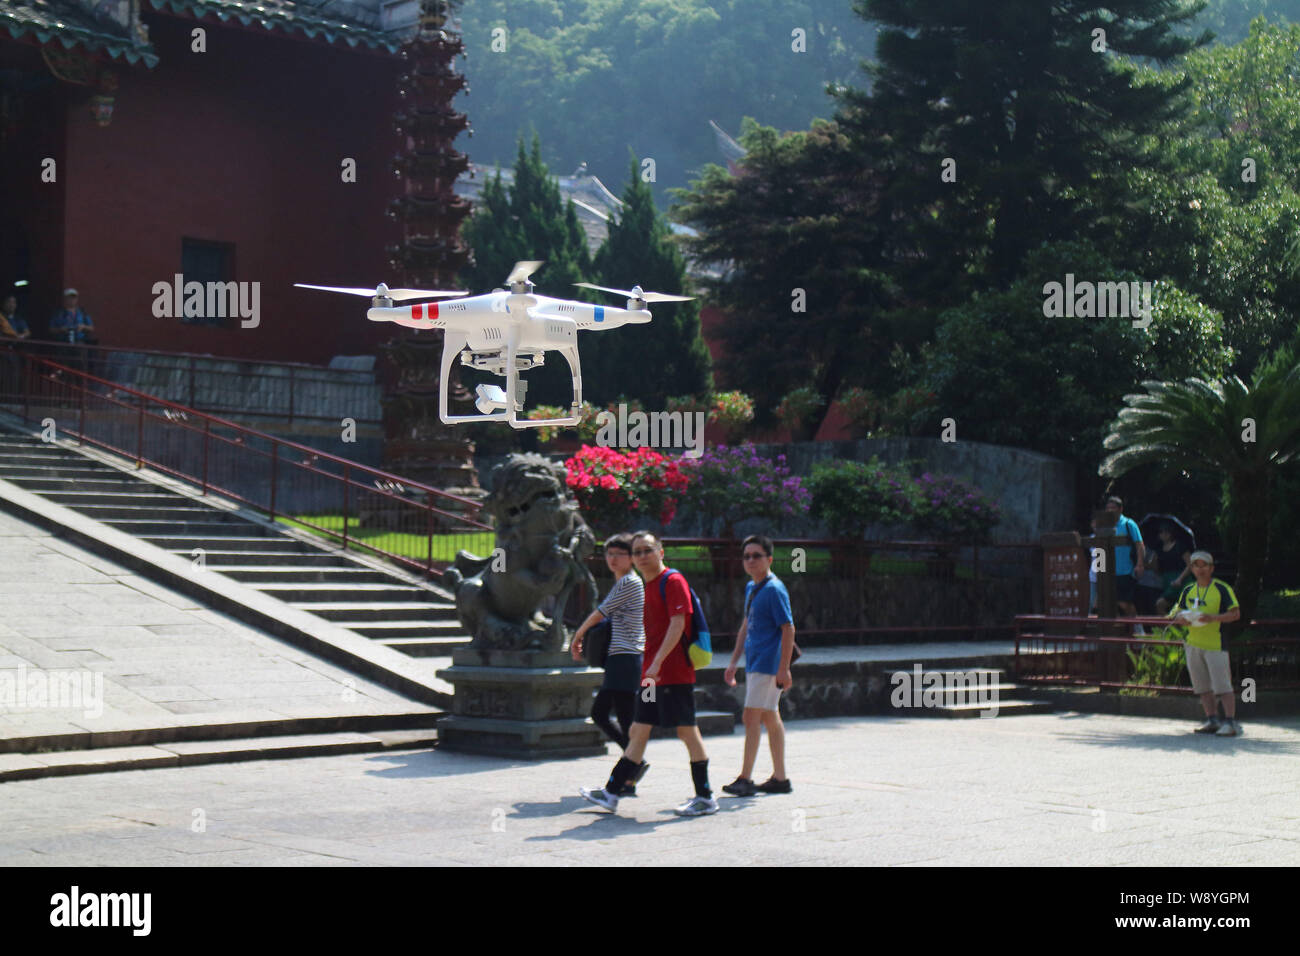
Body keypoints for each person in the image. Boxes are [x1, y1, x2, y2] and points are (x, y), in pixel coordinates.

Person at [579, 530, 717, 816]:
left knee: (687, 732)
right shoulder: (648, 584)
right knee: (638, 729)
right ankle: (612, 793)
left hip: (673, 674)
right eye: (638, 551)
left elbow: (677, 625)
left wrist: (656, 663)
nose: (642, 556)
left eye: (647, 550)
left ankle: (705, 797)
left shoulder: (672, 581)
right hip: (653, 675)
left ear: (661, 553)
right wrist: (650, 667)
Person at [722, 534, 796, 797]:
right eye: (746, 556)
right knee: (768, 716)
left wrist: (784, 668)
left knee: (751, 717)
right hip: (756, 662)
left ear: (769, 559)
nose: (751, 560)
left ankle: (745, 778)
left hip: (768, 664)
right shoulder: (752, 588)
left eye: (757, 555)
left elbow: (788, 628)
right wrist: (733, 661)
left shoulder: (774, 589)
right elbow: (746, 625)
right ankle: (780, 778)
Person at [570, 533, 645, 769]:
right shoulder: (627, 581)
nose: (612, 559)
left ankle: (633, 765)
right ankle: (633, 767)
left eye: (619, 554)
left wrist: (578, 635)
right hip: (622, 657)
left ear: (631, 558)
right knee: (616, 717)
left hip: (625, 657)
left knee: (608, 715)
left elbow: (600, 612)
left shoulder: (628, 582)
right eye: (609, 553)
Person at [1167, 551, 1242, 736]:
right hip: (1193, 643)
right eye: (1196, 566)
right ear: (1191, 569)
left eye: (1204, 565)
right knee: (1202, 687)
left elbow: (1235, 614)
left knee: (1223, 686)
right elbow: (1177, 612)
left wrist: (1213, 618)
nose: (1200, 569)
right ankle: (1212, 719)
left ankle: (1230, 722)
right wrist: (1180, 619)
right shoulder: (1188, 589)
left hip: (1215, 644)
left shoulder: (1222, 588)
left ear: (1211, 568)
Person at [1104, 496, 1145, 626]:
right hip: (1108, 572)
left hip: (1126, 570)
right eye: (1108, 508)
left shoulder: (1129, 524)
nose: (1110, 511)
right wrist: (1099, 570)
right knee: (1109, 603)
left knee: (1125, 603)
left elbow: (1140, 545)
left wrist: (1140, 564)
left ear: (1120, 509)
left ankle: (1138, 629)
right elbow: (1099, 547)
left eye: (1113, 508)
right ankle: (1120, 634)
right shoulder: (1104, 525)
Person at [1154, 523, 1193, 615]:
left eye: (1165, 532)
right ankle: (1169, 628)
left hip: (1182, 579)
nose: (1163, 535)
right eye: (1161, 532)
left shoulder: (1180, 546)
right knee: (1162, 606)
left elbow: (1190, 564)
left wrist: (1179, 579)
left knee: (1181, 608)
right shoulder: (1159, 550)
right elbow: (1157, 569)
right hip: (1168, 581)